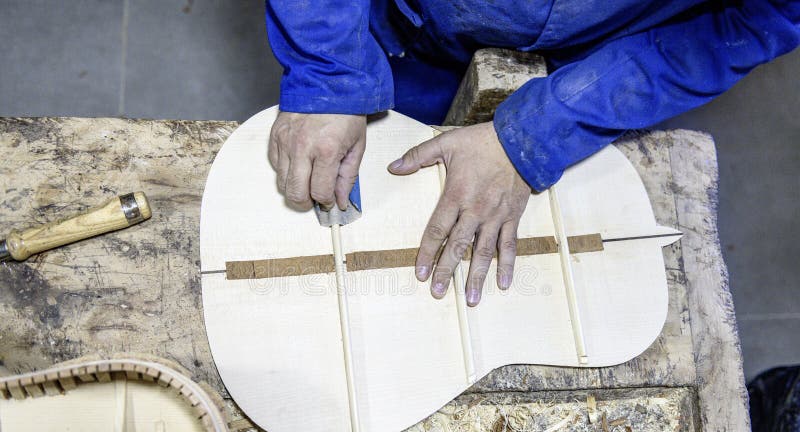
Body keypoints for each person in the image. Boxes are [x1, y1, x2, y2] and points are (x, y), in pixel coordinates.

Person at [265, 0, 799, 306]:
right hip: (401, 21)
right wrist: (329, 69)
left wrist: (536, 134)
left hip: (583, 65)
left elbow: (754, 23)